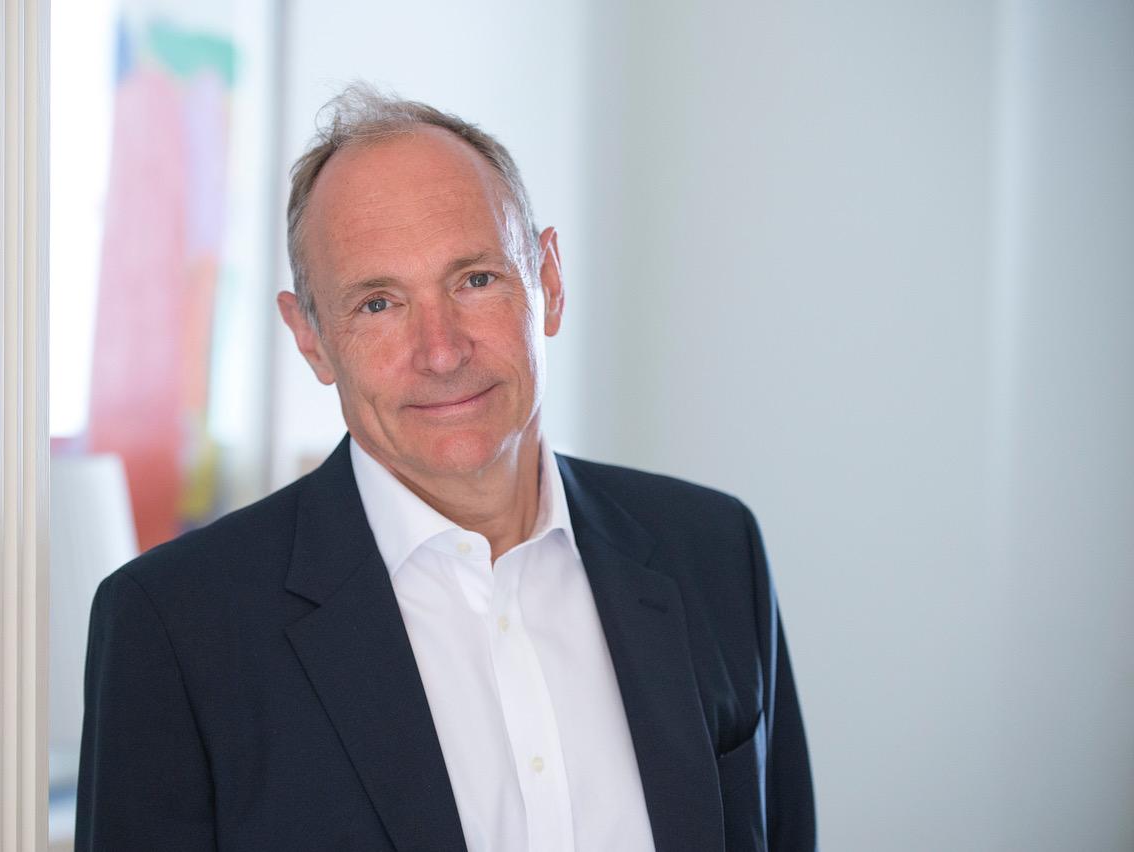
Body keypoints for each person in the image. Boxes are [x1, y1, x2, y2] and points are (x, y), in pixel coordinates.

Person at [76, 85, 816, 852]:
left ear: (549, 281)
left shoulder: (714, 550)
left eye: (475, 279)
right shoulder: (175, 626)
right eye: (377, 304)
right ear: (310, 338)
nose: (442, 350)